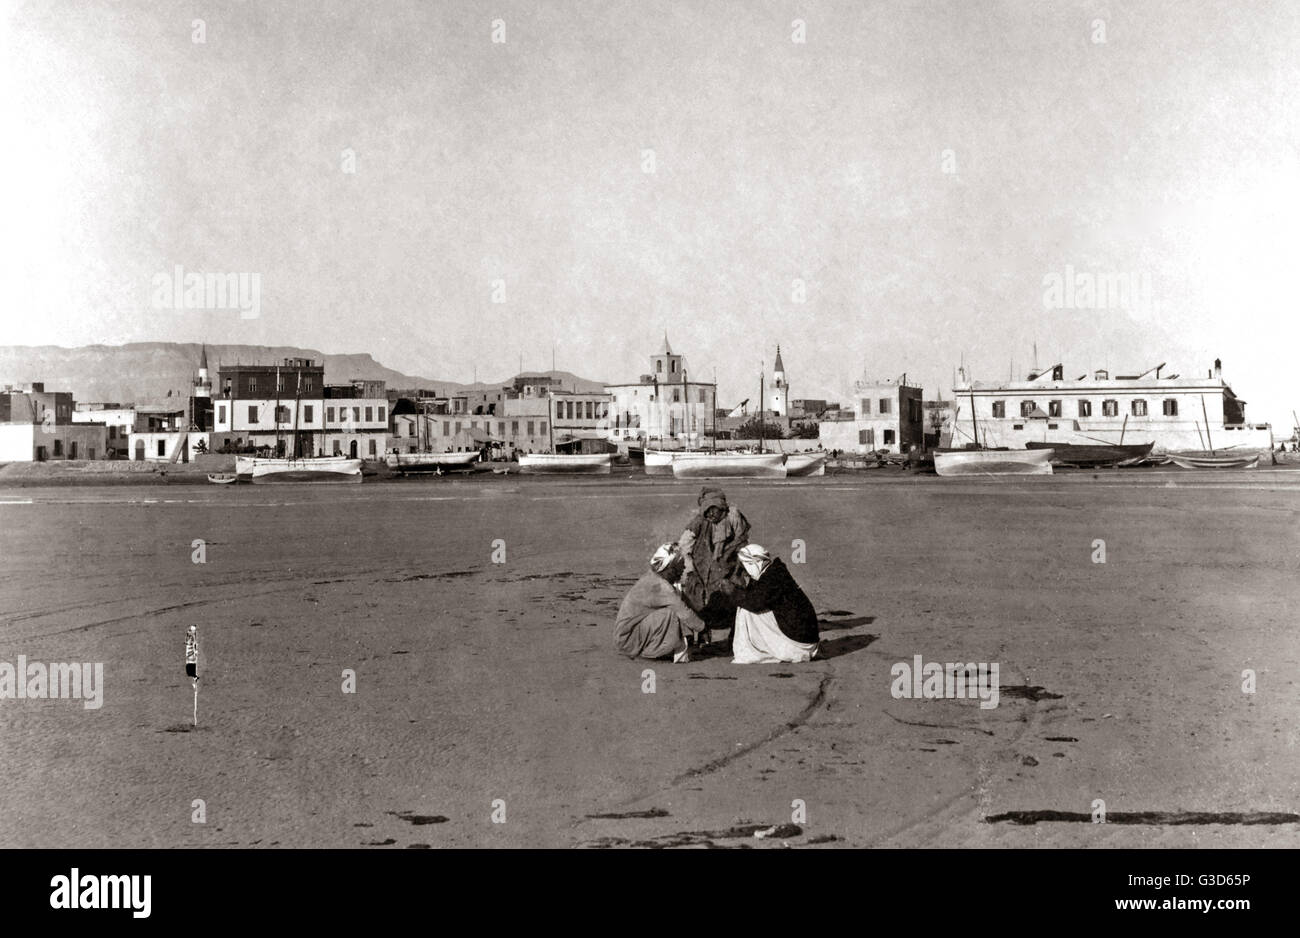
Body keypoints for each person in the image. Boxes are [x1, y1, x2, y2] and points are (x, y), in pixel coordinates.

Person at [678, 486, 750, 643]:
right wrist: (690, 568)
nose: (710, 514)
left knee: (732, 596)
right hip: (701, 568)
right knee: (698, 601)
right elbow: (684, 545)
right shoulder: (699, 521)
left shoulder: (733, 517)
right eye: (706, 511)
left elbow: (742, 542)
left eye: (713, 510)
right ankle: (701, 635)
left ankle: (735, 635)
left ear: (721, 507)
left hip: (728, 567)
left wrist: (740, 568)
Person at [614, 544, 707, 663]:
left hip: (626, 636)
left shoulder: (652, 577)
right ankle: (651, 654)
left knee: (675, 606)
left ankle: (657, 649)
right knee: (672, 614)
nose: (682, 570)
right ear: (670, 568)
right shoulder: (661, 587)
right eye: (680, 568)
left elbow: (685, 603)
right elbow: (685, 613)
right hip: (627, 640)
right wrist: (703, 628)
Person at [730, 544, 820, 664]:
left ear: (753, 563)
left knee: (746, 610)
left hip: (800, 644)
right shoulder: (771, 572)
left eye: (744, 568)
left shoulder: (773, 577)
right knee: (745, 602)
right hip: (804, 639)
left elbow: (754, 603)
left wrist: (732, 591)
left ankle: (752, 653)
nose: (745, 573)